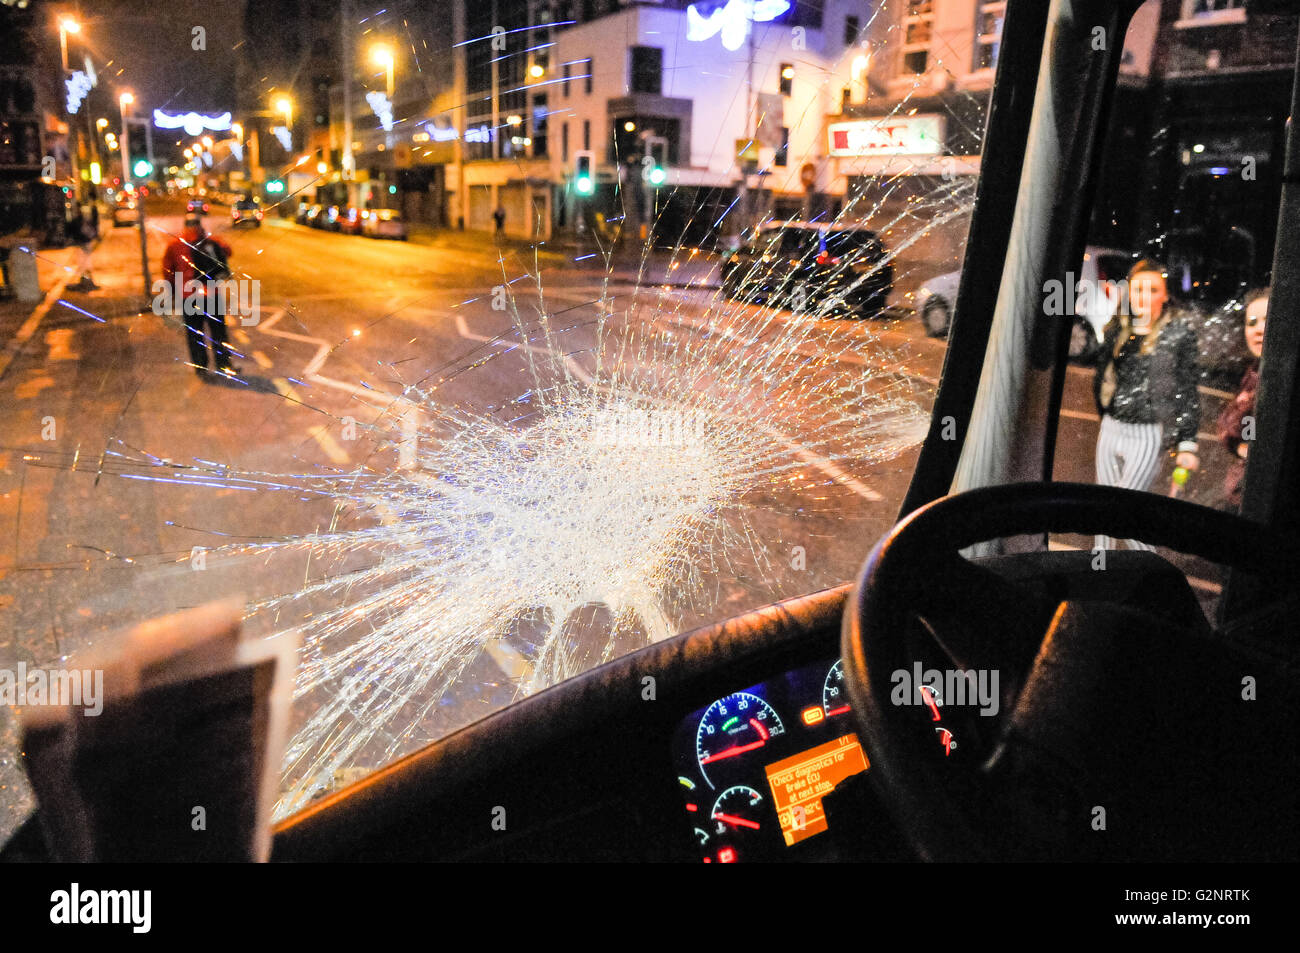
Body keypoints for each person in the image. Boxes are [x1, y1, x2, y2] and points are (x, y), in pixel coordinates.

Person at [1093, 258, 1201, 549]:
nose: (1143, 297)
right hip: (1112, 428)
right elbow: (1102, 375)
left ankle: (1152, 575)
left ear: (1164, 295)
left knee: (1124, 511)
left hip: (1147, 434)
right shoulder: (1118, 330)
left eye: (1153, 290)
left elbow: (1188, 391)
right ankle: (1097, 573)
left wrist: (1187, 443)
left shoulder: (1177, 336)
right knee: (1104, 511)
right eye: (1138, 290)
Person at [162, 216, 238, 378]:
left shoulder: (175, 245)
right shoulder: (210, 241)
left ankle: (201, 367)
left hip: (189, 296)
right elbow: (227, 251)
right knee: (218, 331)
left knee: (195, 333)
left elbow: (167, 270)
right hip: (212, 294)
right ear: (199, 226)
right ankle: (223, 364)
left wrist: (173, 290)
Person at [1217, 288, 1269, 512]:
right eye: (1252, 322)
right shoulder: (1256, 373)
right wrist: (1243, 445)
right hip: (1241, 490)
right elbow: (1250, 431)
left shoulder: (1277, 381)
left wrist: (1246, 447)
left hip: (1258, 498)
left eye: (1268, 319)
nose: (1258, 330)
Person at [68, 200, 99, 291]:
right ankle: (86, 281)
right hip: (84, 242)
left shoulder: (79, 219)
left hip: (83, 243)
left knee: (84, 263)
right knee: (85, 262)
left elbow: (76, 230)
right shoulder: (82, 217)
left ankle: (86, 282)